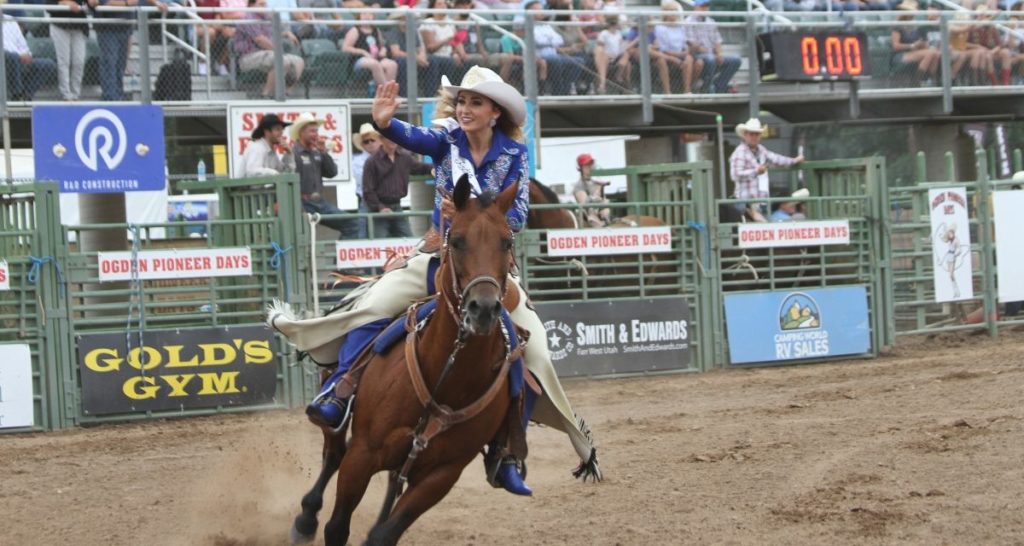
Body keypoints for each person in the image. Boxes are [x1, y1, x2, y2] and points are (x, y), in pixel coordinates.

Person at [270, 66, 601, 497]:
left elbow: (516, 215)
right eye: (461, 101)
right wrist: (386, 122)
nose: (465, 109)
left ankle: (505, 453)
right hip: (438, 258)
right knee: (371, 306)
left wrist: (471, 214)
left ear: (495, 113)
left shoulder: (514, 156)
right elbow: (414, 137)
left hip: (489, 270)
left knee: (533, 349)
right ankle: (339, 390)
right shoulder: (447, 140)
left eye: (475, 102)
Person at [291, 112, 360, 239]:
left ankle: (339, 259)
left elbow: (332, 173)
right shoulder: (293, 154)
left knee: (351, 223)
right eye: (312, 131)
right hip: (302, 203)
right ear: (301, 132)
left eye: (316, 131)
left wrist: (324, 152)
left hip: (319, 203)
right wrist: (299, 207)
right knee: (303, 239)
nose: (315, 135)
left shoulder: (317, 152)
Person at [88, 0, 168, 101]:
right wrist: (126, 3)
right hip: (107, 28)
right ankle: (110, 98)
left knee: (120, 65)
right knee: (109, 63)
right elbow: (104, 3)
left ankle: (118, 96)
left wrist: (157, 3)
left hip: (125, 27)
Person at [729, 118, 804, 222]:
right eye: (751, 134)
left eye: (757, 134)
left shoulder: (761, 150)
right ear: (745, 135)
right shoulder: (739, 153)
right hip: (745, 202)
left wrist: (793, 161)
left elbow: (776, 158)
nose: (754, 137)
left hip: (760, 202)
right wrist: (756, 171)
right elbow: (735, 175)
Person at [362, 135, 432, 238]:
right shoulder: (372, 161)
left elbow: (420, 168)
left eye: (395, 136)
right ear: (382, 139)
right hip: (379, 209)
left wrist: (436, 168)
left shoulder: (405, 157)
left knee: (409, 241)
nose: (393, 140)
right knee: (379, 244)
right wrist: (380, 207)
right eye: (389, 137)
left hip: (397, 206)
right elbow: (368, 190)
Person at [234, 0, 305, 99]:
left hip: (268, 54)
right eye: (261, 4)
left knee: (299, 62)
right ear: (251, 6)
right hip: (249, 57)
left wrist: (286, 33)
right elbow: (260, 40)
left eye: (265, 4)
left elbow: (274, 32)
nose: (264, 7)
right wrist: (279, 53)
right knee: (282, 61)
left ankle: (285, 93)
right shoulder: (248, 18)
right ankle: (265, 94)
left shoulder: (266, 18)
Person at [686, 0, 740, 94]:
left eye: (706, 6)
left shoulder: (711, 22)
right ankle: (707, 88)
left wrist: (719, 53)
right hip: (696, 55)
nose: (705, 8)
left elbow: (718, 41)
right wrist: (702, 49)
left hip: (711, 54)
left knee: (736, 60)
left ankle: (719, 86)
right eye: (702, 6)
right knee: (710, 58)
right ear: (696, 7)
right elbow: (690, 43)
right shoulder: (688, 21)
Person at [341, 6, 398, 92]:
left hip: (377, 58)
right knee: (374, 64)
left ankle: (389, 92)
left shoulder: (376, 30)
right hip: (359, 60)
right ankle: (386, 94)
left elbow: (382, 44)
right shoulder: (355, 30)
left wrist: (383, 49)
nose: (367, 16)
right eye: (364, 14)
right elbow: (345, 48)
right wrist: (363, 52)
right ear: (359, 16)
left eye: (370, 14)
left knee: (392, 64)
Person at [2, 14, 57, 101]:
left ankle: (26, 95)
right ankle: (17, 94)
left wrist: (27, 54)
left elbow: (22, 44)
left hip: (19, 58)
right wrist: (19, 56)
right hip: (4, 59)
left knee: (48, 64)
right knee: (12, 56)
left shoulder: (11, 21)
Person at [652, 0, 702, 94]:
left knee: (691, 59)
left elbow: (684, 44)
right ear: (665, 13)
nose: (673, 13)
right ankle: (668, 91)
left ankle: (687, 90)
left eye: (675, 10)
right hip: (667, 55)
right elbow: (663, 48)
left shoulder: (680, 26)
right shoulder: (660, 27)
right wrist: (678, 54)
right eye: (670, 10)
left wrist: (686, 51)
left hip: (680, 54)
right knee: (661, 60)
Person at [46, 0, 90, 101]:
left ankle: (75, 94)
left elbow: (89, 5)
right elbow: (49, 6)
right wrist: (64, 3)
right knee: (64, 61)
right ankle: (66, 94)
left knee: (79, 61)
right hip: (60, 25)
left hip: (79, 26)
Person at [891, 0, 940, 85]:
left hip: (915, 52)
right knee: (930, 53)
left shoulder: (916, 25)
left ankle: (931, 80)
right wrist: (912, 45)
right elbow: (895, 46)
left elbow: (922, 43)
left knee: (935, 53)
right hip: (901, 55)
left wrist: (923, 44)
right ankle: (917, 82)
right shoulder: (897, 26)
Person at [352, 122, 383, 239]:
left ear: (379, 141)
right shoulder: (357, 161)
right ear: (363, 145)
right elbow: (364, 181)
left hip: (384, 201)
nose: (370, 143)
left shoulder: (387, 158)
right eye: (366, 141)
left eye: (372, 140)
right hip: (366, 200)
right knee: (363, 233)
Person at [593, 14, 637, 94]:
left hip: (617, 56)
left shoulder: (618, 33)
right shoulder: (604, 33)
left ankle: (619, 76)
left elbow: (621, 46)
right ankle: (603, 84)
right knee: (604, 56)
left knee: (627, 57)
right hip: (606, 56)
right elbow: (600, 47)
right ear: (614, 24)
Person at [573, 153, 612, 227]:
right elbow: (585, 205)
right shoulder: (579, 186)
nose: (589, 167)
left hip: (602, 214)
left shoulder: (595, 182)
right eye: (586, 165)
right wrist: (596, 196)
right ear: (581, 168)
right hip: (590, 217)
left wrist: (601, 188)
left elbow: (602, 199)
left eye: (590, 164)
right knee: (593, 220)